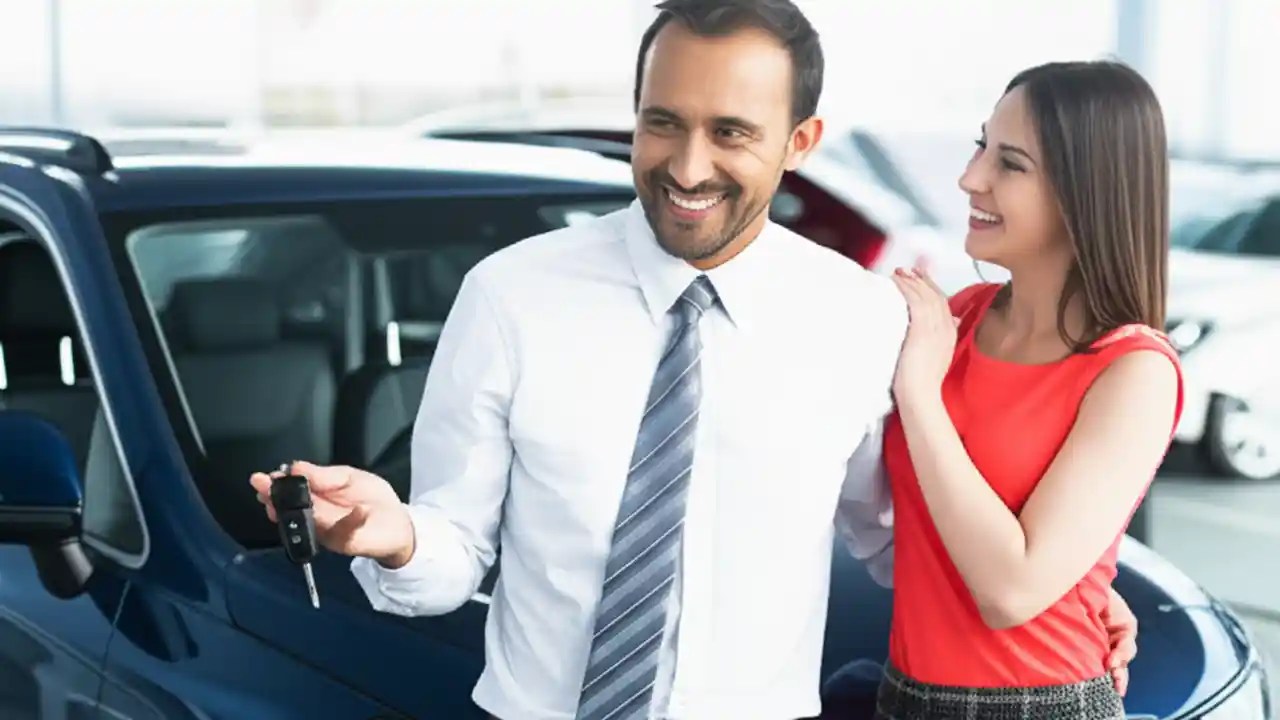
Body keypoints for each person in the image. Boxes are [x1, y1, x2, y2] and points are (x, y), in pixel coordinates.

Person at [250, 3, 1138, 718]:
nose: (687, 164)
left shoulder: (860, 319)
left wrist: (1076, 592)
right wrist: (394, 537)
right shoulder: (509, 297)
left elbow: (896, 543)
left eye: (732, 133)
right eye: (662, 123)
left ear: (800, 143)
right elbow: (455, 551)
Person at [876, 61, 1180, 719]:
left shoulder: (1134, 371)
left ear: (1086, 193)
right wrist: (1087, 581)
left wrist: (921, 398)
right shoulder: (953, 318)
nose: (970, 177)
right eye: (980, 146)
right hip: (901, 695)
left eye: (1009, 163)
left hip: (1042, 706)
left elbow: (1011, 592)